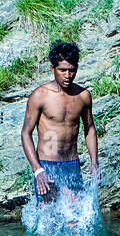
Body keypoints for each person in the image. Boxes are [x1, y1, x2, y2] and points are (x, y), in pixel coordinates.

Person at [20, 41, 98, 207]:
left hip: (72, 165)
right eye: (62, 70)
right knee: (49, 223)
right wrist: (37, 170)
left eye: (72, 70)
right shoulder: (40, 95)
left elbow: (89, 128)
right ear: (52, 69)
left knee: (76, 221)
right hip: (47, 166)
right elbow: (26, 133)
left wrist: (94, 161)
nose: (67, 75)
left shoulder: (83, 96)